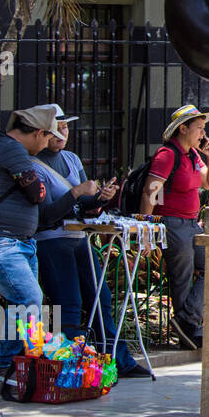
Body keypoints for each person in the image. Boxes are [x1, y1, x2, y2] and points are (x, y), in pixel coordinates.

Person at [32, 107, 148, 378]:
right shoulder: (33, 163)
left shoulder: (71, 159)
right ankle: (72, 368)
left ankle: (116, 360)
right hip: (52, 239)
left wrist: (101, 198)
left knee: (101, 299)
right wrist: (76, 192)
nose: (63, 132)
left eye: (66, 126)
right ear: (42, 132)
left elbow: (84, 205)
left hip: (80, 237)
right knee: (69, 304)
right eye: (56, 127)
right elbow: (45, 213)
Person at [0, 107, 52, 383]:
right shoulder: (12, 150)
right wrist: (38, 182)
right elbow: (37, 193)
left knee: (22, 304)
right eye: (47, 138)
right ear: (39, 132)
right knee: (30, 300)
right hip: (1, 242)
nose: (46, 145)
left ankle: (15, 364)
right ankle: (6, 363)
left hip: (17, 243)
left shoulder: (10, 150)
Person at [140, 105, 209, 350]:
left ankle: (187, 321)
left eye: (203, 129)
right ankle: (190, 332)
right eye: (198, 128)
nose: (202, 134)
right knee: (182, 277)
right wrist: (145, 233)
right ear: (182, 128)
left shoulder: (193, 155)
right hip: (172, 223)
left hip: (191, 223)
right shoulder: (167, 154)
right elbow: (150, 192)